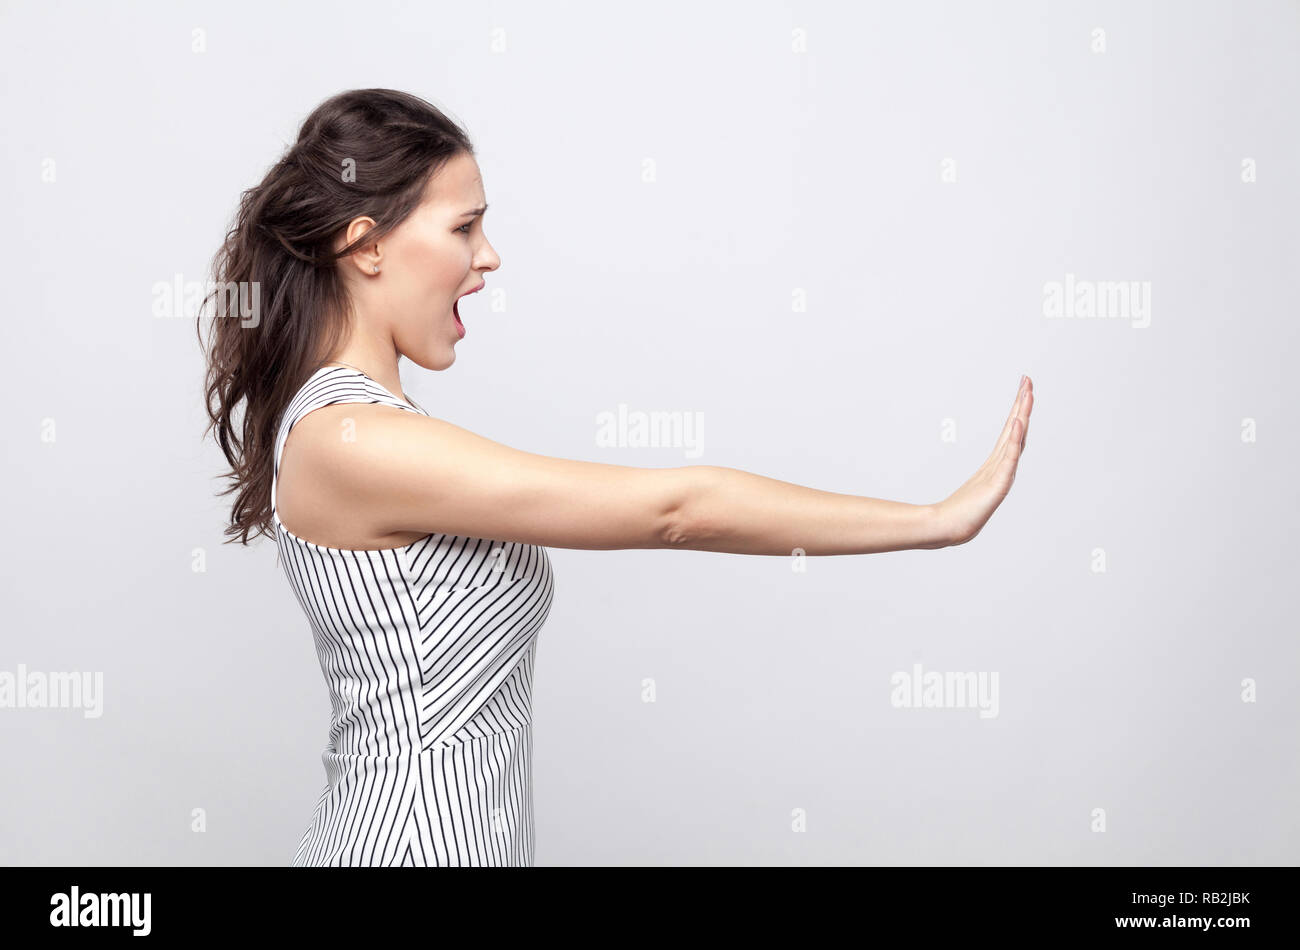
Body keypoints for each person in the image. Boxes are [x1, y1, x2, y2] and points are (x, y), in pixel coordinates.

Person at [199, 88, 1035, 866]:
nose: (489, 257)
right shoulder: (352, 441)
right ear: (368, 245)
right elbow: (676, 510)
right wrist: (937, 519)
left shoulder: (367, 431)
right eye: (464, 228)